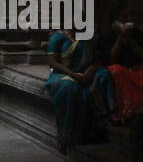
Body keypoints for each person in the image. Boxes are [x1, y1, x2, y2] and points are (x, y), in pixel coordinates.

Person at [45, 24, 113, 153]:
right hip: (63, 74)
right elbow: (53, 62)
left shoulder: (90, 37)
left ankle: (107, 118)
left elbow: (100, 58)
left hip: (86, 72)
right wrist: (71, 74)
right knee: (70, 89)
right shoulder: (58, 37)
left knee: (104, 76)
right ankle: (65, 133)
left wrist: (89, 71)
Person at [94, 22, 143, 124]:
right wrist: (120, 38)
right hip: (118, 69)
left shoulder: (137, 32)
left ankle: (136, 111)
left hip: (136, 69)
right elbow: (109, 60)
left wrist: (131, 41)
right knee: (116, 71)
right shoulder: (107, 33)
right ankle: (122, 112)